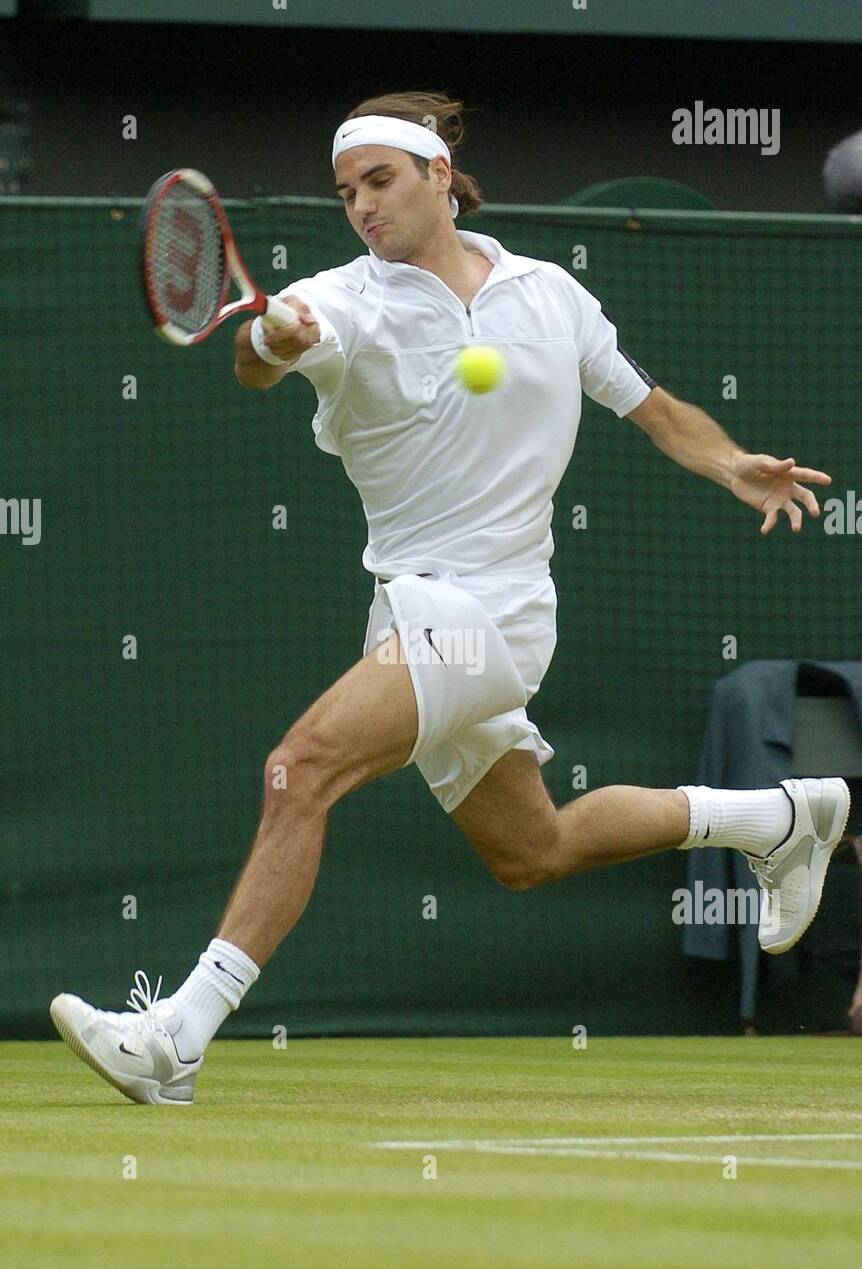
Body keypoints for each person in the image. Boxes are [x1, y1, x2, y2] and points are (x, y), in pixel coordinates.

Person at [51, 91, 850, 1104]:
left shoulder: (550, 294)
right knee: (535, 849)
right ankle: (781, 816)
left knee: (302, 766)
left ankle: (176, 1034)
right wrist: (275, 343)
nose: (362, 206)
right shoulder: (341, 301)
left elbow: (647, 404)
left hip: (496, 618)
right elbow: (257, 361)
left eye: (380, 181)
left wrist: (732, 461)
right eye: (346, 192)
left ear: (438, 175)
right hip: (415, 609)